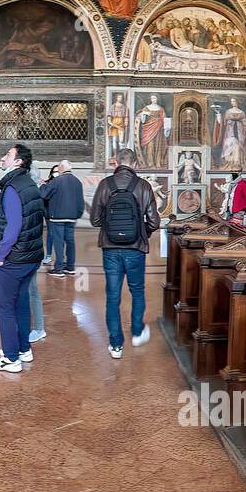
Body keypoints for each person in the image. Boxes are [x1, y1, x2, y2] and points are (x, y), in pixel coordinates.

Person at [90, 152, 162, 359]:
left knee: (113, 296)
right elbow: (154, 222)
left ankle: (115, 345)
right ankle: (137, 332)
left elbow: (95, 220)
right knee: (137, 291)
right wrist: (141, 233)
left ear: (116, 163)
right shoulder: (144, 186)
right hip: (135, 249)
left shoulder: (105, 185)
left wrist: (112, 227)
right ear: (135, 164)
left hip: (110, 249)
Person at [0, 144, 46, 373]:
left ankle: (10, 358)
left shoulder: (12, 188)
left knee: (3, 306)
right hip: (31, 256)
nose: (2, 158)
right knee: (21, 302)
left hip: (15, 258)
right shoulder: (29, 184)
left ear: (18, 162)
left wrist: (1, 255)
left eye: (7, 155)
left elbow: (13, 227)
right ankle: (23, 349)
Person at [43, 159, 85, 274]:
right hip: (72, 217)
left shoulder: (57, 181)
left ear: (61, 169)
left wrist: (42, 186)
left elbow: (44, 195)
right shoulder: (77, 181)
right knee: (70, 242)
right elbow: (81, 201)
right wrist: (78, 214)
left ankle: (59, 268)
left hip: (57, 217)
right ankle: (70, 267)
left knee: (58, 242)